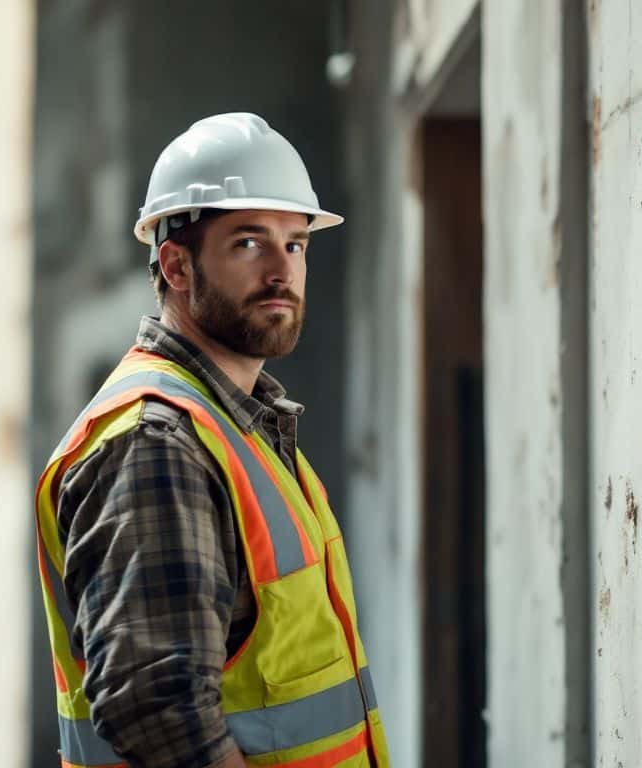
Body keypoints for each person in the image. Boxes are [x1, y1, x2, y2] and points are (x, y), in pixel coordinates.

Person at [34, 113, 390, 768]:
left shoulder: (240, 424)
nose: (283, 269)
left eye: (297, 243)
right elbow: (156, 707)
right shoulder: (156, 441)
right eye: (249, 244)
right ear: (175, 265)